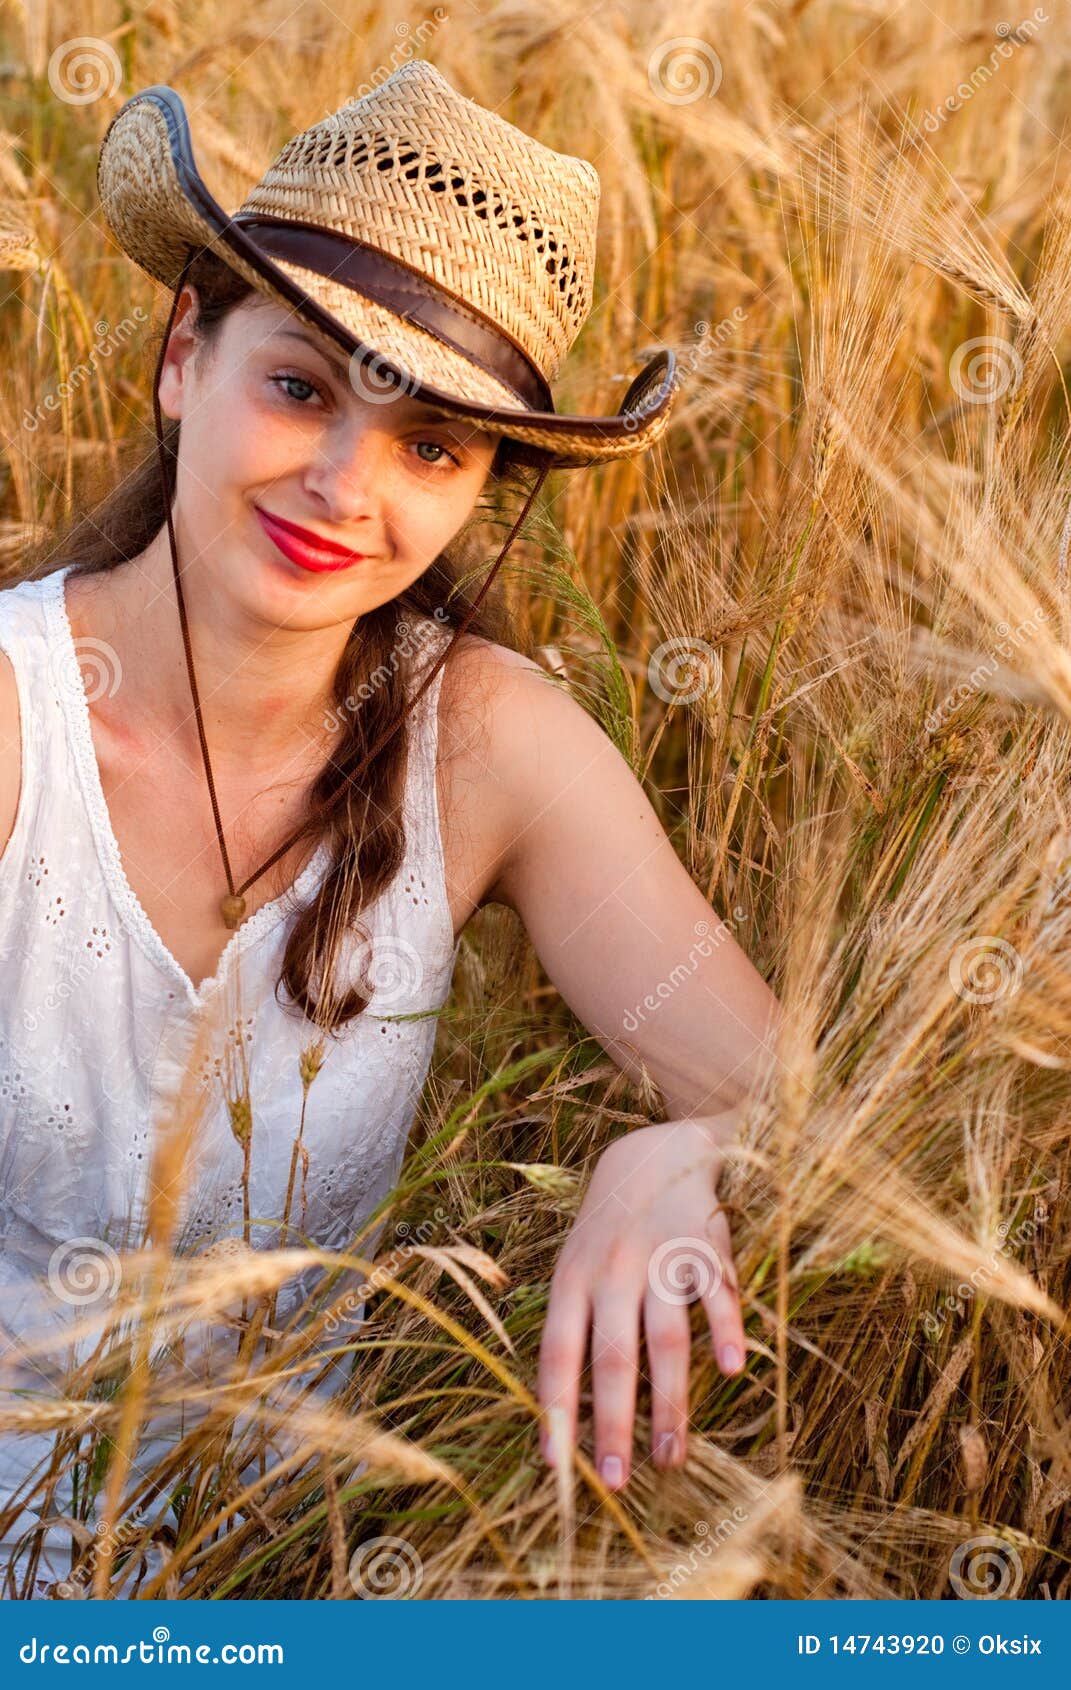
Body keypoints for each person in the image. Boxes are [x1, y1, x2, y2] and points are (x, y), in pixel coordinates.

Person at [0, 59, 780, 1597]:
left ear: (479, 486)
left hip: (309, 1580)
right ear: (182, 359)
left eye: (432, 443)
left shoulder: (485, 745)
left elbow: (803, 1107)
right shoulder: (21, 722)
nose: (347, 484)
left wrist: (680, 1148)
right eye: (300, 386)